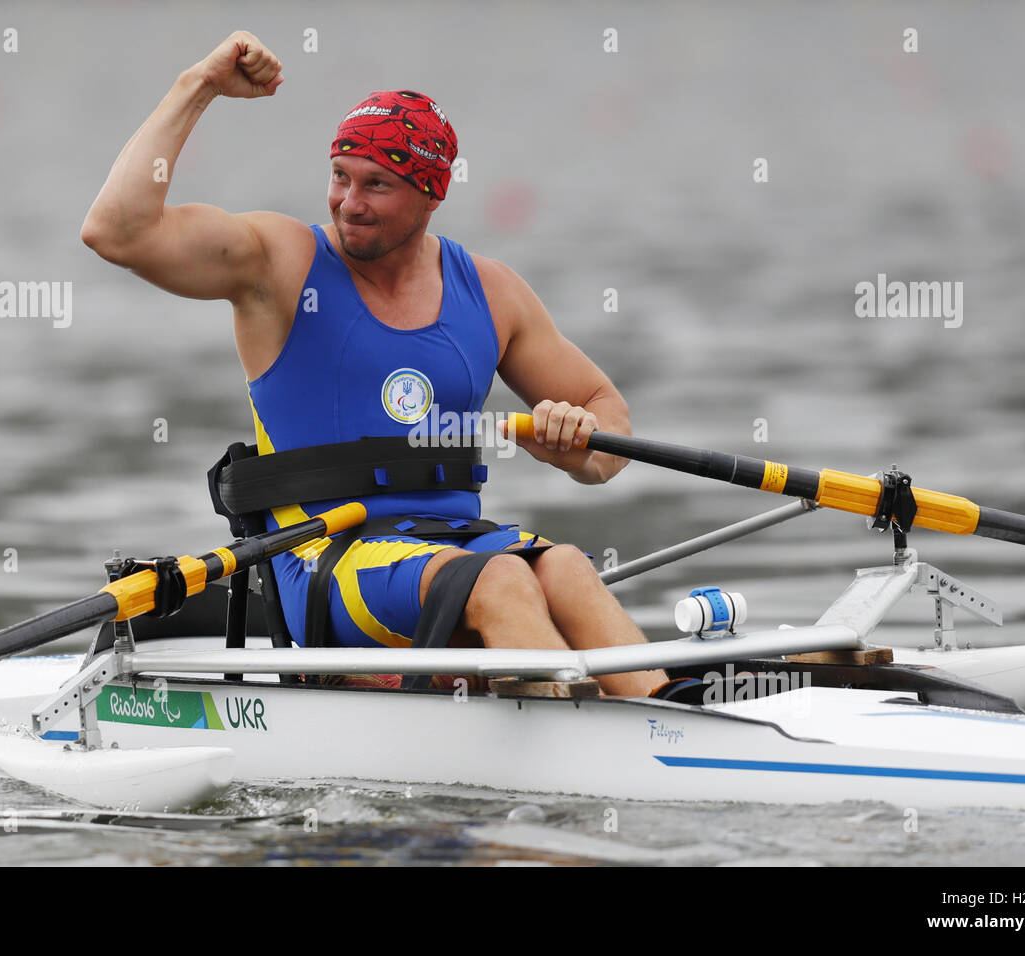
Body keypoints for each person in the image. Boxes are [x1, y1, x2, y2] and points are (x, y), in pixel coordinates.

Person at [81, 31, 665, 696]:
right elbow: (115, 231)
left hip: (456, 546)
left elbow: (605, 417)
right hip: (323, 561)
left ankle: (666, 717)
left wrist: (574, 448)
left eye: (377, 185)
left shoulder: (491, 292)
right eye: (340, 176)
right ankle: (577, 749)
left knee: (565, 569)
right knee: (506, 577)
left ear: (430, 194)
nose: (349, 203)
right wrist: (200, 85)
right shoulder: (279, 265)